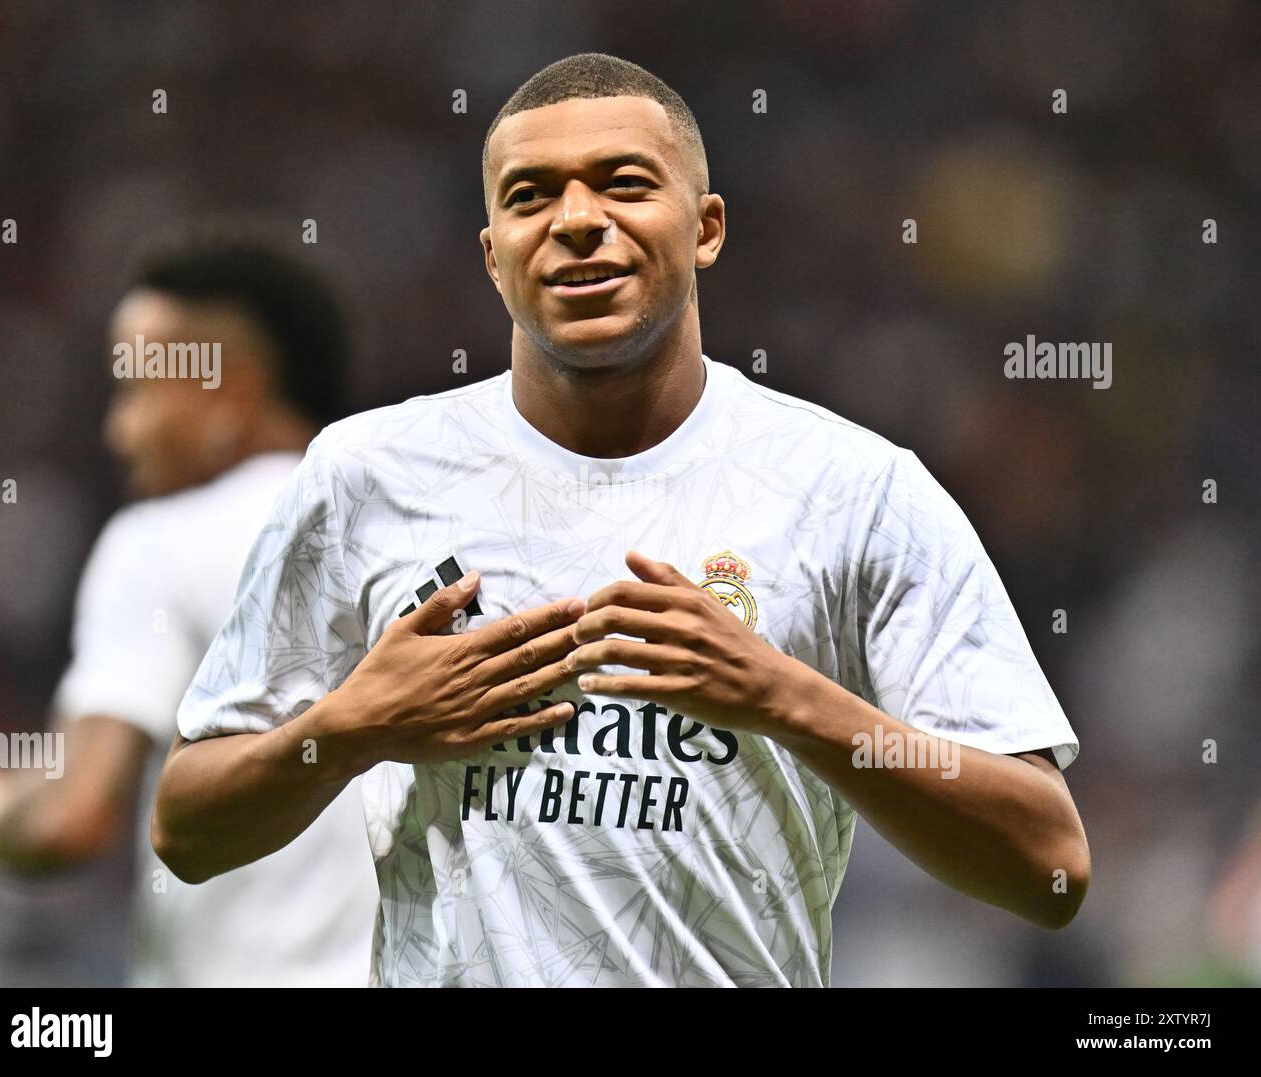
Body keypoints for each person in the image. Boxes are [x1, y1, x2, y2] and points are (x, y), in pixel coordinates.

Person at [154, 54, 1090, 987]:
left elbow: (1051, 866)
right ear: (494, 254)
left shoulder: (859, 491)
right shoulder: (365, 475)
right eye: (529, 197)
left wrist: (782, 696)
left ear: (706, 228)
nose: (575, 222)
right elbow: (185, 830)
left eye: (624, 184)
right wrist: (355, 726)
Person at [0, 229, 378, 987]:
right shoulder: (414, 528)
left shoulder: (159, 543)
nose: (117, 430)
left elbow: (69, 815)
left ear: (233, 389)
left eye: (138, 387)